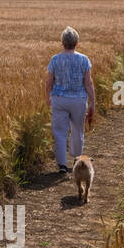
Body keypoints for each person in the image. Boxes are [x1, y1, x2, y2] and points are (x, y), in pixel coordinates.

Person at [45, 26, 95, 174]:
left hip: (59, 99)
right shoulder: (84, 59)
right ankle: (76, 159)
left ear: (62, 42)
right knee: (77, 130)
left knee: (60, 132)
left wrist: (47, 96)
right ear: (76, 42)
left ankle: (61, 165)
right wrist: (93, 101)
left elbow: (49, 81)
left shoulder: (55, 59)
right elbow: (88, 83)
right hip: (78, 100)